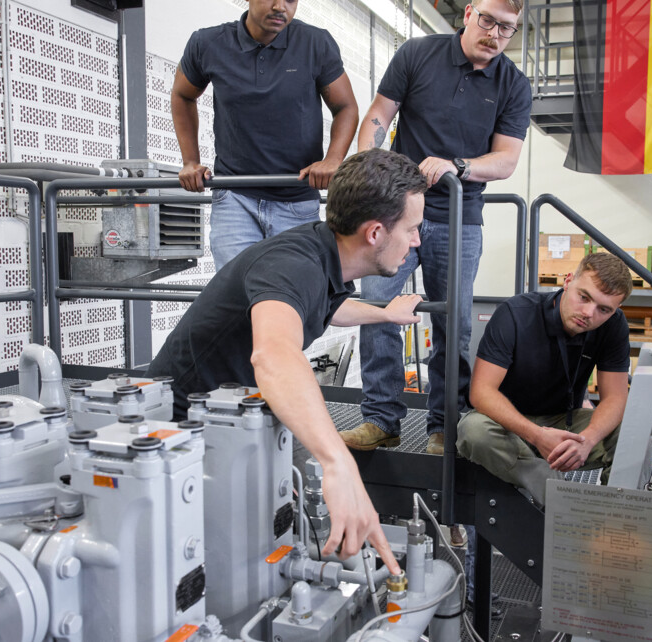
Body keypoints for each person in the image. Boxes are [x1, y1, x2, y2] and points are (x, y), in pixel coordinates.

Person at [145, 149, 428, 574]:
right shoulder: (293, 265)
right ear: (374, 233)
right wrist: (339, 462)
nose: (417, 241)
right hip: (188, 426)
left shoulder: (325, 254)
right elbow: (273, 354)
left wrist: (385, 314)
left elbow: (324, 307)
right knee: (291, 520)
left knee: (318, 510)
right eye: (412, 229)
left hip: (243, 410)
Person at [341, 0, 532, 456]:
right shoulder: (417, 54)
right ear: (468, 13)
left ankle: (445, 425)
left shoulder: (513, 84)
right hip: (396, 214)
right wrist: (370, 158)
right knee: (377, 309)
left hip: (459, 219)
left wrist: (458, 165)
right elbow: (378, 115)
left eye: (506, 28)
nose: (494, 33)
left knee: (454, 327)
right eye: (487, 20)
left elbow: (505, 160)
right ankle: (380, 420)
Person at [171, 0, 359, 269]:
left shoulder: (315, 43)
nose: (280, 6)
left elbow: (346, 107)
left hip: (296, 200)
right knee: (237, 296)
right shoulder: (208, 43)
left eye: (291, 0)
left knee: (293, 296)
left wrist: (333, 160)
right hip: (235, 200)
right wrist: (190, 161)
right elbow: (182, 94)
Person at [457, 252, 633, 506]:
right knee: (472, 431)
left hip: (565, 424)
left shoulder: (614, 326)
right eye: (584, 297)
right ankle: (554, 494)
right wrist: (537, 436)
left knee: (633, 433)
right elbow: (482, 391)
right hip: (506, 425)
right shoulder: (516, 313)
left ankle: (616, 516)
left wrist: (589, 440)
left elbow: (616, 397)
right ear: (568, 280)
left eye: (603, 309)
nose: (588, 313)